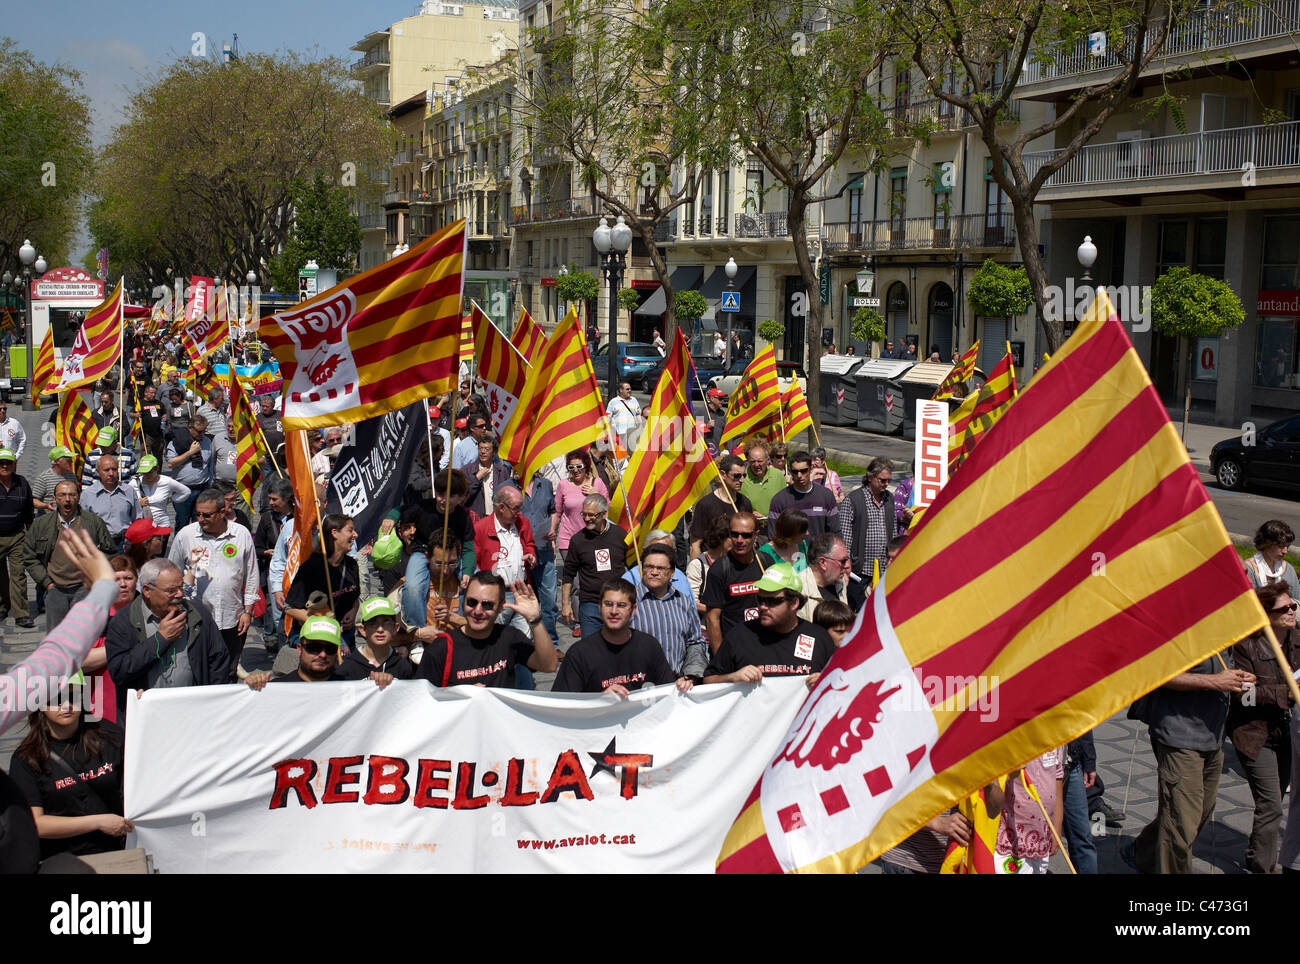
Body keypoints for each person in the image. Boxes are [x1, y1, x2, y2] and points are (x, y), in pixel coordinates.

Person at [1125, 651, 1255, 874]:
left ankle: (1143, 851)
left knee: (1197, 812)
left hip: (1213, 737)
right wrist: (1214, 681)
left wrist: (1240, 679)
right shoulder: (1184, 626)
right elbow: (1157, 674)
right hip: (1179, 737)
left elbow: (1225, 670)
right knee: (1181, 825)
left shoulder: (1224, 629)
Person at [9, 683, 130, 861]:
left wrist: (142, 707)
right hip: (64, 861)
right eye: (56, 700)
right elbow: (35, 823)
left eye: (73, 697)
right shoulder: (27, 758)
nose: (66, 705)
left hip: (120, 853)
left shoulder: (110, 735)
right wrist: (97, 822)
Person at [1228, 582, 1299, 874]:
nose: (1292, 611)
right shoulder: (1247, 645)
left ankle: (1255, 852)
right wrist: (1285, 692)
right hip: (1255, 735)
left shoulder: (1297, 639)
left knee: (1275, 800)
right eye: (1284, 609)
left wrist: (1270, 688)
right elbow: (1243, 694)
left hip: (1287, 734)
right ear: (1267, 615)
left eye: (1293, 605)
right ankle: (1263, 867)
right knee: (1271, 805)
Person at [105, 558, 231, 713]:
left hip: (193, 713)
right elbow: (119, 671)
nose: (179, 594)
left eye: (180, 587)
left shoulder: (197, 614)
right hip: (147, 715)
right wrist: (160, 639)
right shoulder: (124, 621)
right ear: (147, 590)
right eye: (171, 590)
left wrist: (213, 704)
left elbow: (219, 661)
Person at [166, 488, 259, 680]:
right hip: (196, 620)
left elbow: (251, 575)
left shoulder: (241, 534)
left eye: (206, 515)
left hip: (231, 618)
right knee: (198, 671)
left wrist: (248, 611)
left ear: (222, 513)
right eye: (198, 514)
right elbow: (171, 572)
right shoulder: (186, 535)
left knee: (229, 670)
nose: (200, 519)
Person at [415, 571, 556, 687]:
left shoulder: (509, 637)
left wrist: (535, 620)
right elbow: (422, 700)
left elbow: (548, 665)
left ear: (501, 607)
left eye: (487, 605)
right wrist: (462, 695)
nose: (477, 611)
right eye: (471, 602)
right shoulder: (441, 648)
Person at [703, 563, 835, 686]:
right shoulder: (739, 635)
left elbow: (841, 683)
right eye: (760, 600)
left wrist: (826, 682)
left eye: (772, 601)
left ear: (794, 603)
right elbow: (708, 681)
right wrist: (732, 677)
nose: (763, 607)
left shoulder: (819, 638)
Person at [553, 580, 692, 696]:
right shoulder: (579, 653)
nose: (614, 611)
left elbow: (667, 690)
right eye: (608, 604)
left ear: (633, 610)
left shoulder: (649, 646)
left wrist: (682, 685)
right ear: (599, 607)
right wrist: (599, 700)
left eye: (621, 605)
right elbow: (563, 705)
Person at [25, 481, 116, 631]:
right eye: (62, 495)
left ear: (78, 497)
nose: (67, 499)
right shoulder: (41, 524)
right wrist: (47, 583)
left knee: (83, 633)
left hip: (84, 588)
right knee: (56, 635)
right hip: (55, 589)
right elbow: (29, 557)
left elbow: (110, 552)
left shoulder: (93, 522)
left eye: (72, 495)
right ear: (55, 498)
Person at [400, 469, 475, 628]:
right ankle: (416, 631)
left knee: (476, 582)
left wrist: (467, 571)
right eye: (441, 494)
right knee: (413, 587)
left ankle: (465, 627)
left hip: (453, 557)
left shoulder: (463, 517)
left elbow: (469, 548)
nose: (444, 500)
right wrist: (389, 519)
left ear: (461, 497)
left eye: (451, 496)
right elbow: (400, 511)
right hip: (422, 553)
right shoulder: (423, 507)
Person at [627, 545, 707, 680]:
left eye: (660, 568)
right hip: (639, 687)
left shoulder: (684, 602)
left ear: (672, 573)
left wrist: (692, 674)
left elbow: (695, 642)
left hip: (676, 686)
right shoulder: (628, 602)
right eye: (649, 567)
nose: (654, 572)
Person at [839, 457, 907, 608]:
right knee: (858, 610)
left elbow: (894, 531)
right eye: (882, 480)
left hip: (884, 569)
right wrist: (847, 563)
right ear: (870, 477)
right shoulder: (853, 500)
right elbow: (845, 536)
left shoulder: (889, 498)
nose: (886, 484)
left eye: (889, 480)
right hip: (860, 571)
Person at [284, 512, 361, 643]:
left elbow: (355, 599)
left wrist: (353, 612)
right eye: (350, 530)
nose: (355, 535)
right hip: (314, 639)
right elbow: (290, 608)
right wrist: (323, 624)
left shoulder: (352, 565)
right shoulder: (312, 567)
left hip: (344, 637)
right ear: (334, 533)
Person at [561, 494, 628, 639]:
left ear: (604, 514)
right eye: (583, 514)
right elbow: (568, 574)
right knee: (592, 653)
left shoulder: (620, 535)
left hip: (617, 604)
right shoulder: (578, 540)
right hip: (590, 605)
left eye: (591, 515)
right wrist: (565, 604)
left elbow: (633, 567)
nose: (586, 519)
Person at [81, 555, 138, 724]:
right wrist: (123, 646)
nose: (122, 584)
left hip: (137, 697)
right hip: (100, 699)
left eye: (128, 578)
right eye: (116, 579)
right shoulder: (93, 614)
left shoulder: (146, 609)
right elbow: (82, 661)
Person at [700, 510, 765, 650]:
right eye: (734, 534)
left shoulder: (765, 562)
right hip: (735, 648)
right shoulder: (719, 570)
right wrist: (721, 660)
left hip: (765, 644)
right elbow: (712, 619)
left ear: (756, 535)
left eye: (746, 535)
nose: (739, 540)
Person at [995, 750, 1065, 874]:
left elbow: (1058, 775)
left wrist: (1057, 825)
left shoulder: (1055, 737)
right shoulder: (1014, 739)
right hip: (1011, 842)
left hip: (1042, 838)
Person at [513, 470, 559, 640]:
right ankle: (527, 641)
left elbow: (553, 512)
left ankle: (550, 642)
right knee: (524, 599)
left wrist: (553, 528)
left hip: (544, 549)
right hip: (521, 553)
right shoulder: (509, 487)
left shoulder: (545, 484)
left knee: (549, 600)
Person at [255, 477, 292, 654]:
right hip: (274, 571)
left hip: (294, 572)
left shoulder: (298, 517)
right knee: (277, 611)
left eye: (274, 499)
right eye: (269, 498)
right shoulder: (268, 518)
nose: (270, 503)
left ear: (287, 499)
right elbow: (258, 546)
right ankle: (280, 645)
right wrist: (266, 552)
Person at [688, 454, 753, 557]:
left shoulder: (745, 503)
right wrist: (696, 571)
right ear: (723, 474)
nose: (741, 480)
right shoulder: (705, 504)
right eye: (737, 476)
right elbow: (695, 544)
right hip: (712, 564)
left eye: (743, 475)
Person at [338, 596, 415, 681]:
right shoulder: (348, 668)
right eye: (372, 623)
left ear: (395, 628)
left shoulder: (403, 666)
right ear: (362, 630)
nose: (380, 629)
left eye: (386, 622)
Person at [767, 450, 838, 540]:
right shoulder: (779, 500)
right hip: (790, 553)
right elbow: (773, 536)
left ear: (810, 469)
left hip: (819, 552)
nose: (799, 475)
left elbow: (835, 532)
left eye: (803, 471)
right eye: (795, 471)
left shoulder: (826, 496)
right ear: (790, 471)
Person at [0, 447, 34, 628]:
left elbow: (29, 511)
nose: (4, 466)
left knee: (19, 574)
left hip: (17, 536)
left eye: (8, 463)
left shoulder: (22, 483)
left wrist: (31, 535)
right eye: (1, 463)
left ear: (14, 464)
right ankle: (2, 607)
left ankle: (21, 613)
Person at [556, 449, 607, 564]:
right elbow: (557, 513)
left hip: (595, 539)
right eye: (571, 467)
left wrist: (596, 495)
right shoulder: (563, 485)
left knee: (594, 579)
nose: (575, 470)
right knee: (576, 582)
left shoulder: (597, 483)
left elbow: (607, 509)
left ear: (586, 466)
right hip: (568, 541)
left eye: (579, 466)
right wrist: (551, 539)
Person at [164, 414, 215, 529]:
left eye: (204, 431)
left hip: (202, 488)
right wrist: (190, 452)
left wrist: (211, 481)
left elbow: (210, 464)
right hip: (183, 489)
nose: (201, 434)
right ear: (190, 428)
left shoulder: (207, 441)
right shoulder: (177, 442)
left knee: (201, 522)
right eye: (199, 431)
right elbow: (171, 463)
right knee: (182, 522)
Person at [81, 455, 139, 548]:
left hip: (125, 544)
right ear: (98, 472)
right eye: (106, 470)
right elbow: (83, 524)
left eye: (114, 469)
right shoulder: (88, 495)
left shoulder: (128, 491)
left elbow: (137, 518)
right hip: (100, 545)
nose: (111, 473)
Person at [130, 454, 190, 532]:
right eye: (144, 472)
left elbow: (186, 492)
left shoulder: (166, 481)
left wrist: (172, 499)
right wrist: (136, 503)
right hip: (141, 527)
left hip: (162, 525)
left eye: (149, 472)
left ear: (156, 469)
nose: (146, 475)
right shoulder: (134, 482)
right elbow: (123, 500)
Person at [797, 532, 850, 620]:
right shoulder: (799, 590)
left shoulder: (840, 582)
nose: (847, 565)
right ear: (823, 563)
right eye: (843, 561)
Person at [1243, 520, 1300, 601]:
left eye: (1288, 546)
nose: (1285, 551)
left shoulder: (1288, 569)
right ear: (1266, 543)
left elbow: (1298, 601)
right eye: (1281, 546)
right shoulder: (1248, 570)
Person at [739, 441, 786, 530]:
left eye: (760, 461)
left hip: (776, 527)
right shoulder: (742, 478)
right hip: (752, 529)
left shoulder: (778, 475)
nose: (756, 465)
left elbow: (785, 502)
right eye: (753, 461)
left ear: (768, 460)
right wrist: (750, 513)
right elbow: (736, 504)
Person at [464, 437, 513, 519]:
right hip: (476, 518)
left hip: (496, 518)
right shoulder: (467, 470)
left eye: (487, 449)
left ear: (494, 452)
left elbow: (508, 496)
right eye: (480, 448)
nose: (483, 452)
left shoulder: (502, 471)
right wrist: (477, 479)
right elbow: (464, 496)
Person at [32, 447, 80, 515]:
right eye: (68, 459)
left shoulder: (72, 476)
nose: (71, 462)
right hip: (49, 521)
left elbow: (77, 494)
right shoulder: (44, 478)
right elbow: (33, 500)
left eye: (71, 459)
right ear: (57, 461)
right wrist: (46, 506)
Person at [606, 381, 642, 449]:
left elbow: (638, 415)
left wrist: (640, 428)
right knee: (622, 456)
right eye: (627, 389)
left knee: (632, 454)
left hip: (632, 434)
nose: (630, 390)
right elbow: (608, 419)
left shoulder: (634, 400)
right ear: (621, 390)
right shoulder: (613, 402)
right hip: (619, 434)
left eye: (630, 389)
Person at [135, 385, 166, 460]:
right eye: (151, 393)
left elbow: (164, 413)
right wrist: (135, 414)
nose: (153, 395)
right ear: (145, 393)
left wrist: (165, 416)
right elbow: (131, 413)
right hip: (146, 434)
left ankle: (158, 471)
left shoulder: (158, 403)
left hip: (158, 433)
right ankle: (144, 471)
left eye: (155, 393)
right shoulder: (141, 403)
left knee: (158, 455)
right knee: (145, 454)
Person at [703, 388, 728, 453]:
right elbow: (694, 433)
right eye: (720, 399)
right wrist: (707, 426)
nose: (722, 401)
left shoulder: (722, 413)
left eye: (723, 399)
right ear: (712, 399)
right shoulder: (701, 412)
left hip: (718, 450)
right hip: (706, 451)